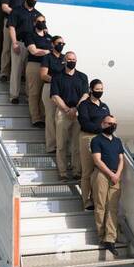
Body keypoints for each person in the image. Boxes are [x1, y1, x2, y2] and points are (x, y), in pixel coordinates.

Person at [49, 50, 88, 182]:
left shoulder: (82, 77)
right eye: (69, 59)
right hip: (62, 112)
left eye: (74, 59)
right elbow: (55, 96)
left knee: (76, 145)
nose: (72, 61)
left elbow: (85, 95)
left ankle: (77, 171)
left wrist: (76, 109)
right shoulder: (57, 76)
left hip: (78, 112)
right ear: (65, 61)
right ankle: (63, 172)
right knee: (61, 144)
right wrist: (66, 109)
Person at [89, 114, 125, 252]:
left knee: (113, 207)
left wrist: (117, 174)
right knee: (101, 206)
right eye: (109, 123)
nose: (112, 126)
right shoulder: (96, 140)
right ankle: (101, 236)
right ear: (103, 124)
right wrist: (111, 174)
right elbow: (97, 160)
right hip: (102, 175)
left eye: (114, 124)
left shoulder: (118, 141)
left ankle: (110, 238)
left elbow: (121, 159)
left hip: (115, 175)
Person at [77, 80, 111, 209]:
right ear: (91, 90)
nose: (99, 91)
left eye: (101, 89)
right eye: (97, 89)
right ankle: (86, 200)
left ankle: (98, 198)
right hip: (88, 137)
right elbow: (85, 123)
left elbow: (109, 121)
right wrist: (101, 128)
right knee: (87, 170)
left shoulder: (104, 106)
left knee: (101, 170)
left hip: (102, 139)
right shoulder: (84, 105)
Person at [6, 0, 37, 103]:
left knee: (29, 74)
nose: (33, 0)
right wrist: (14, 43)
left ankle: (29, 97)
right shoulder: (16, 11)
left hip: (32, 47)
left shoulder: (37, 15)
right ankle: (14, 95)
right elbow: (11, 27)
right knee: (16, 71)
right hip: (19, 44)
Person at [22, 7, 51, 127]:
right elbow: (33, 51)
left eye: (44, 21)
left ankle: (43, 116)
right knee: (34, 93)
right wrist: (47, 51)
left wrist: (45, 51)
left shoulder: (48, 37)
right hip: (34, 65)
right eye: (39, 21)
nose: (42, 23)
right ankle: (36, 118)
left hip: (46, 66)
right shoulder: (30, 35)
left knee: (43, 93)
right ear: (34, 23)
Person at [38, 35, 66, 155]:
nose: (61, 45)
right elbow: (43, 75)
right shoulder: (47, 57)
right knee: (50, 117)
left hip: (63, 89)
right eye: (59, 43)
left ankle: (62, 145)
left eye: (63, 44)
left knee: (61, 118)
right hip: (49, 87)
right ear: (53, 44)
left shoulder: (65, 58)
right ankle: (51, 145)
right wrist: (55, 81)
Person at [0, 0, 26, 81]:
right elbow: (4, 7)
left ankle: (22, 73)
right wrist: (15, 13)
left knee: (23, 49)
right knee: (7, 48)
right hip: (10, 22)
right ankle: (4, 72)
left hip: (22, 24)